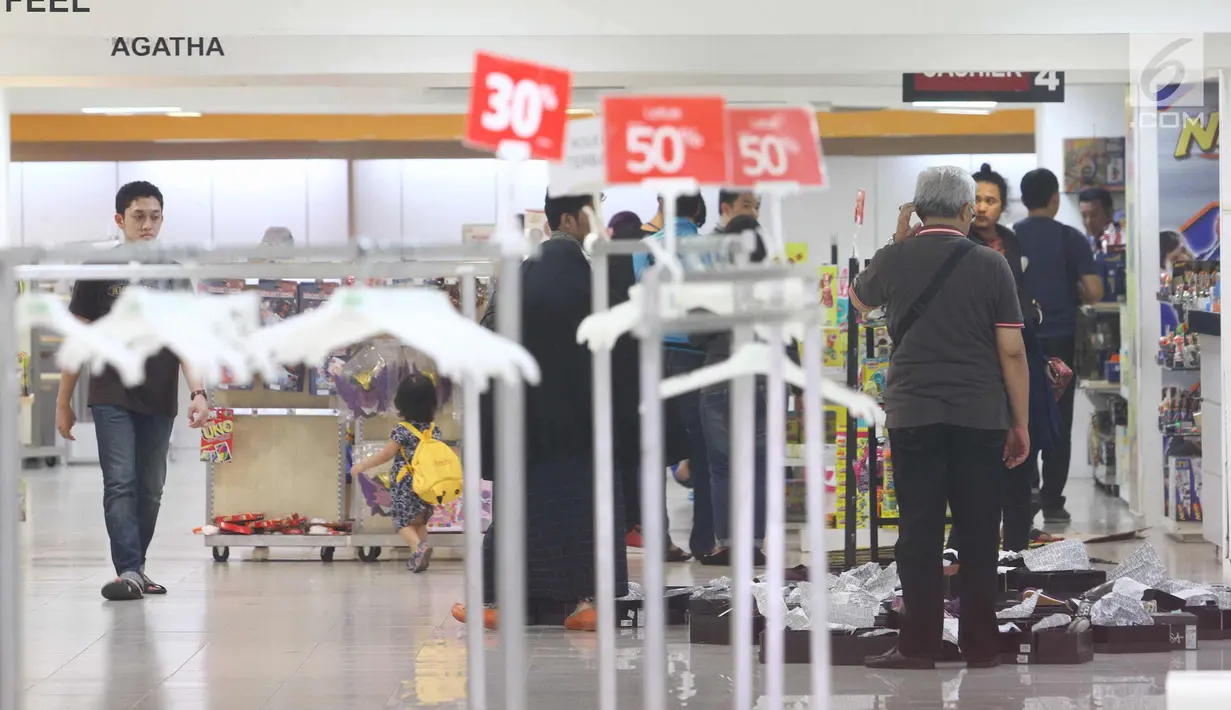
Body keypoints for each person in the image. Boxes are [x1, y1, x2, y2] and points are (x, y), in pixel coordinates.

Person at [850, 166, 1030, 670]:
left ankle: (920, 644)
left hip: (914, 415)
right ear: (968, 211)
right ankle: (981, 644)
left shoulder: (896, 258)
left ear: (916, 208)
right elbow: (1012, 352)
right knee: (977, 532)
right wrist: (1021, 422)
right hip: (980, 416)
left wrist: (894, 240)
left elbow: (859, 301)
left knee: (920, 531)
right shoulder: (992, 264)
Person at [457, 192, 635, 631]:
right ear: (571, 220)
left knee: (522, 508)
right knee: (586, 509)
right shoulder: (594, 281)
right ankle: (588, 602)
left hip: (527, 424)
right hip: (584, 425)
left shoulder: (520, 276)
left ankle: (499, 601)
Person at [57, 181, 212, 601]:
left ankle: (136, 570)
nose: (147, 224)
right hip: (111, 394)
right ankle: (127, 568)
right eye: (138, 216)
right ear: (119, 220)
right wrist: (63, 402)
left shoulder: (174, 275)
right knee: (121, 483)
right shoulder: (97, 271)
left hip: (160, 395)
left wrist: (198, 392)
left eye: (155, 216)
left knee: (150, 487)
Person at [960, 164, 1059, 551]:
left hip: (1018, 355)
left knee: (1022, 457)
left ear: (1002, 206)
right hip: (978, 360)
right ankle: (971, 550)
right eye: (977, 200)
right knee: (978, 461)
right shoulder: (960, 243)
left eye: (991, 200)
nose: (983, 207)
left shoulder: (1012, 242)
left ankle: (1016, 548)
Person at [606, 211, 702, 562]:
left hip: (613, 383)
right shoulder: (645, 262)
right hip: (647, 370)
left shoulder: (602, 270)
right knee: (653, 461)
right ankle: (659, 539)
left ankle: (626, 536)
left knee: (621, 467)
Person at [1015, 168, 1104, 524]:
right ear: (1054, 199)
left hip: (1020, 342)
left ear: (1023, 200)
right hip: (1061, 343)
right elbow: (1095, 290)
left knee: (1022, 414)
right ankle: (1052, 499)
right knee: (1058, 420)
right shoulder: (1071, 238)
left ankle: (1028, 489)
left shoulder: (1010, 238)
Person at [633, 193, 716, 562]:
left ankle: (658, 540)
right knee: (702, 448)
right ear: (698, 210)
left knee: (652, 451)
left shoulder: (645, 248)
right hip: (694, 355)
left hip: (650, 355)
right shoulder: (709, 248)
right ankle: (704, 541)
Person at [696, 214, 771, 567]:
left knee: (723, 466)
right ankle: (753, 543)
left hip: (718, 376)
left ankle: (726, 544)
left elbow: (695, 331)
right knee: (757, 465)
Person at [350, 373, 441, 572]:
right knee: (419, 521)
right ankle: (420, 552)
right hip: (427, 483)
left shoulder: (402, 430)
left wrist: (363, 465)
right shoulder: (434, 430)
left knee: (402, 522)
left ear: (402, 403)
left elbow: (386, 455)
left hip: (405, 485)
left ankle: (419, 549)